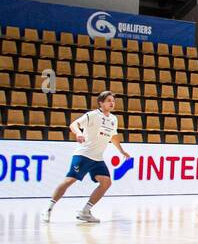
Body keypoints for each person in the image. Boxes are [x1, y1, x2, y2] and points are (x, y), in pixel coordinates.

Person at [41, 90, 131, 223]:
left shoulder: (113, 119)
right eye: (109, 101)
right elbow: (73, 125)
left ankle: (85, 211)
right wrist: (78, 133)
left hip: (98, 158)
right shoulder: (92, 115)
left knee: (106, 182)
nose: (112, 103)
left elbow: (113, 137)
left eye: (113, 101)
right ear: (101, 103)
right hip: (83, 155)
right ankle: (48, 208)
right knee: (69, 181)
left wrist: (122, 151)